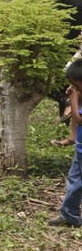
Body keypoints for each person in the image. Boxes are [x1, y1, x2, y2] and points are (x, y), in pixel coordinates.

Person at [44, 0, 82, 147]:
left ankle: (67, 106)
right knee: (76, 89)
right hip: (79, 47)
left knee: (53, 86)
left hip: (64, 51)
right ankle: (72, 135)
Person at [49, 59, 82, 228]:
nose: (74, 89)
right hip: (80, 149)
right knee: (74, 180)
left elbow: (79, 119)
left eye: (76, 85)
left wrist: (74, 100)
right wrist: (76, 95)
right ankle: (69, 214)